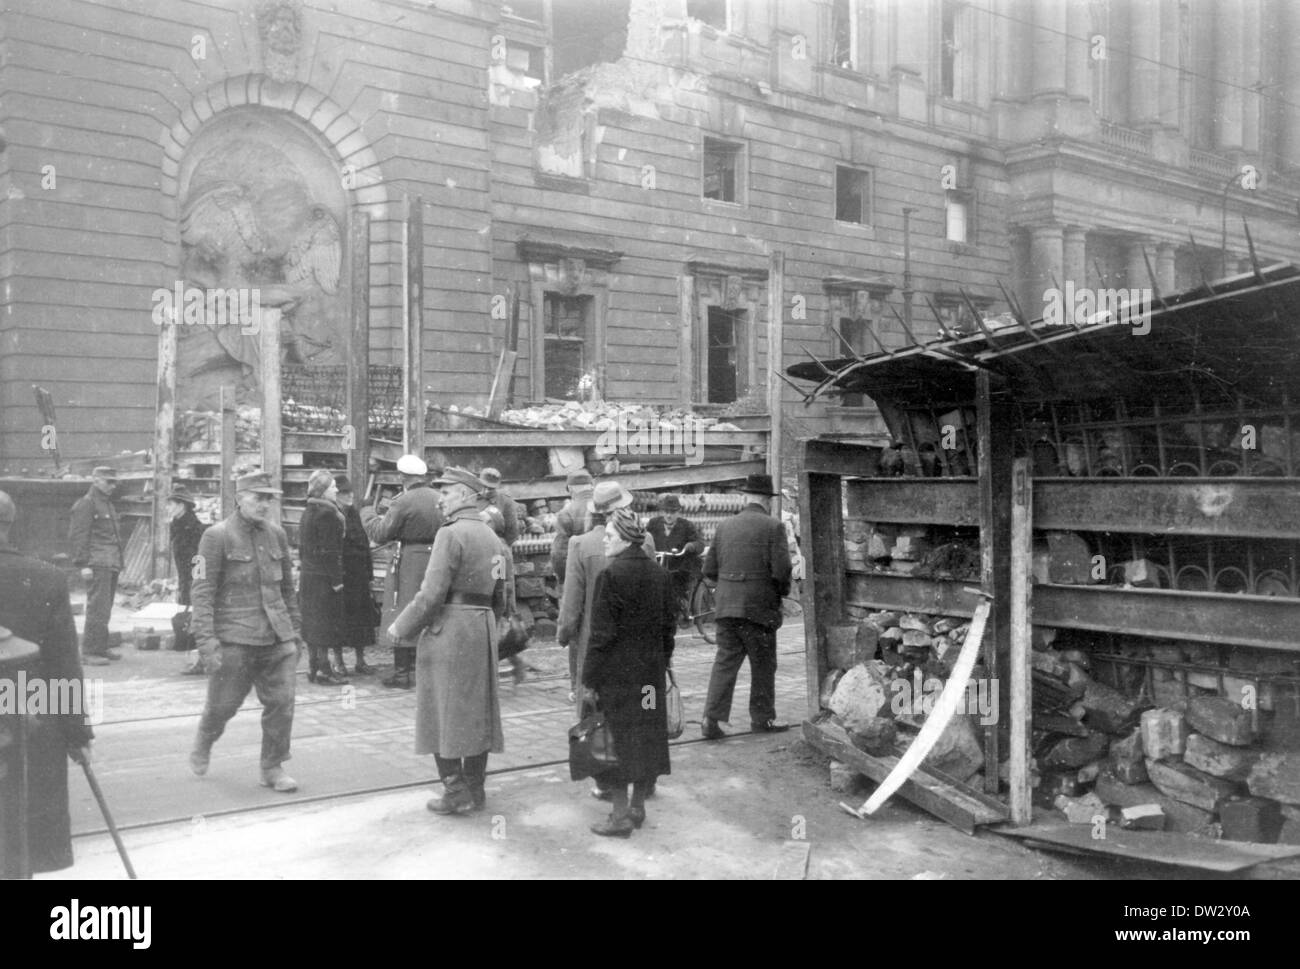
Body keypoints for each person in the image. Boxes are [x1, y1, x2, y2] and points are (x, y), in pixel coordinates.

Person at [390, 467, 505, 816]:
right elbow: (502, 591)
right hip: (481, 627)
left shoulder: (449, 535)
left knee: (442, 710)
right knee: (477, 710)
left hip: (450, 629)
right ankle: (475, 788)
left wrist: (401, 627)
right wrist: (488, 625)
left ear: (467, 496)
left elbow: (431, 593)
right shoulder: (492, 537)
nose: (440, 499)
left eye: (447, 492)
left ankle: (455, 791)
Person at [189, 471, 303, 792]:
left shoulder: (277, 535)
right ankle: (205, 738)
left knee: (283, 702)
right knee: (222, 706)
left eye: (270, 498)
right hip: (234, 639)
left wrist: (295, 630)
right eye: (258, 497)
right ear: (239, 498)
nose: (265, 504)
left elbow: (289, 589)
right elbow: (201, 591)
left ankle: (272, 766)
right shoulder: (215, 536)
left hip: (277, 638)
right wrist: (206, 643)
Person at [0, 490, 94, 874]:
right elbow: (64, 664)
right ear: (11, 524)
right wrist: (78, 734)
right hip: (29, 707)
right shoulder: (47, 578)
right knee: (22, 827)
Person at [580, 507, 676, 837]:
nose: (604, 541)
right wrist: (660, 664)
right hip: (649, 677)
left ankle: (619, 816)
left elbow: (601, 635)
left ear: (623, 539)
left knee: (615, 738)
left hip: (616, 676)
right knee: (646, 734)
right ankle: (638, 806)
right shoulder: (660, 574)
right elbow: (669, 629)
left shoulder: (610, 575)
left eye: (608, 536)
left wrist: (589, 680)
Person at [701, 473, 793, 739]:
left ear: (745, 497)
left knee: (725, 662)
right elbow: (782, 570)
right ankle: (762, 719)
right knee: (763, 665)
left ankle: (711, 719)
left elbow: (709, 570)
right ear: (766, 499)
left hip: (726, 608)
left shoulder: (725, 526)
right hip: (758, 609)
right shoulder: (773, 527)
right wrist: (779, 593)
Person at [363, 454, 443, 689]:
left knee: (400, 608)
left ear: (403, 478)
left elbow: (381, 534)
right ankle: (421, 672)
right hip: (435, 558)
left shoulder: (403, 501)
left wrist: (367, 513)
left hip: (408, 560)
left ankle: (402, 674)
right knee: (427, 611)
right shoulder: (439, 498)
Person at [68, 466, 123, 665]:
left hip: (109, 563)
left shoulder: (106, 504)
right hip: (97, 563)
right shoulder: (87, 504)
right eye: (109, 481)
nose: (113, 485)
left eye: (114, 482)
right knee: (97, 608)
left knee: (105, 608)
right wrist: (82, 564)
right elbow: (78, 535)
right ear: (96, 480)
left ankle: (100, 647)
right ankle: (90, 651)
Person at [299, 469, 349, 686]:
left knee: (312, 622)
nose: (336, 489)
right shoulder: (328, 514)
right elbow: (330, 552)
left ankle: (313, 666)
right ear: (322, 491)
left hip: (309, 575)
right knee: (325, 624)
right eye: (332, 487)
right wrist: (337, 581)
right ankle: (324, 671)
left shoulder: (308, 510)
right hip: (324, 579)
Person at [335, 474, 377, 675]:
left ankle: (360, 661)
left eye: (350, 492)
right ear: (336, 495)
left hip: (358, 576)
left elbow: (365, 546)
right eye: (344, 492)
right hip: (343, 577)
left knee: (361, 620)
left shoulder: (354, 514)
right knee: (340, 620)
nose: (349, 495)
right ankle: (339, 662)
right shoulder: (333, 515)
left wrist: (369, 575)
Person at [167, 487, 208, 675]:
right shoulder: (175, 524)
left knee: (197, 620)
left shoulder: (195, 528)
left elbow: (200, 557)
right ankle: (198, 660)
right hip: (185, 578)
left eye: (171, 504)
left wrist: (196, 581)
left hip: (195, 578)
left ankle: (201, 661)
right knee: (191, 619)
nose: (168, 508)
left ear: (182, 506)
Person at [646, 494, 703, 623]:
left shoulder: (687, 526)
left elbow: (700, 544)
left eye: (672, 512)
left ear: (678, 512)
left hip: (680, 567)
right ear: (662, 511)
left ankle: (681, 608)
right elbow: (644, 538)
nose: (669, 515)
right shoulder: (653, 524)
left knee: (676, 587)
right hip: (659, 564)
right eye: (666, 512)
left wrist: (691, 546)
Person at [550, 468, 593, 583]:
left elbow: (559, 554)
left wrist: (562, 578)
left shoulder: (566, 513)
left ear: (570, 489)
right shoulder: (607, 505)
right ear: (592, 486)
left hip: (581, 574)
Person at [479, 467, 521, 545]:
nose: (486, 491)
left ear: (497, 486)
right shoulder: (472, 499)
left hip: (498, 545)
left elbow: (512, 533)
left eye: (490, 488)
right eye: (484, 486)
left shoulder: (505, 502)